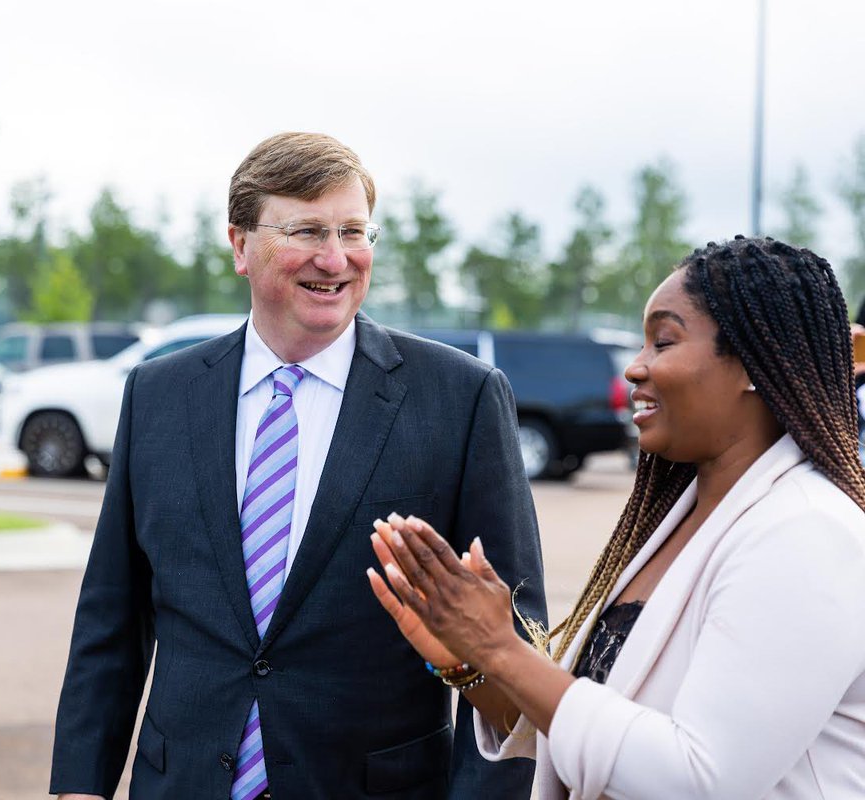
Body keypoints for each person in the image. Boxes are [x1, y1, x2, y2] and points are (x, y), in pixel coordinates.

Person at [49, 132, 547, 800]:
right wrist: (80, 786)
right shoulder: (158, 396)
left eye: (353, 231)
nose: (336, 258)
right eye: (308, 230)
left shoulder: (460, 399)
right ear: (239, 245)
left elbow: (512, 642)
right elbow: (112, 621)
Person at [372, 236, 865, 798]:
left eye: (663, 341)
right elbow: (592, 741)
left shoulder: (808, 534)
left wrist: (499, 648)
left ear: (757, 362)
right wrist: (472, 664)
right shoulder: (679, 524)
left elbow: (697, 778)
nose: (635, 368)